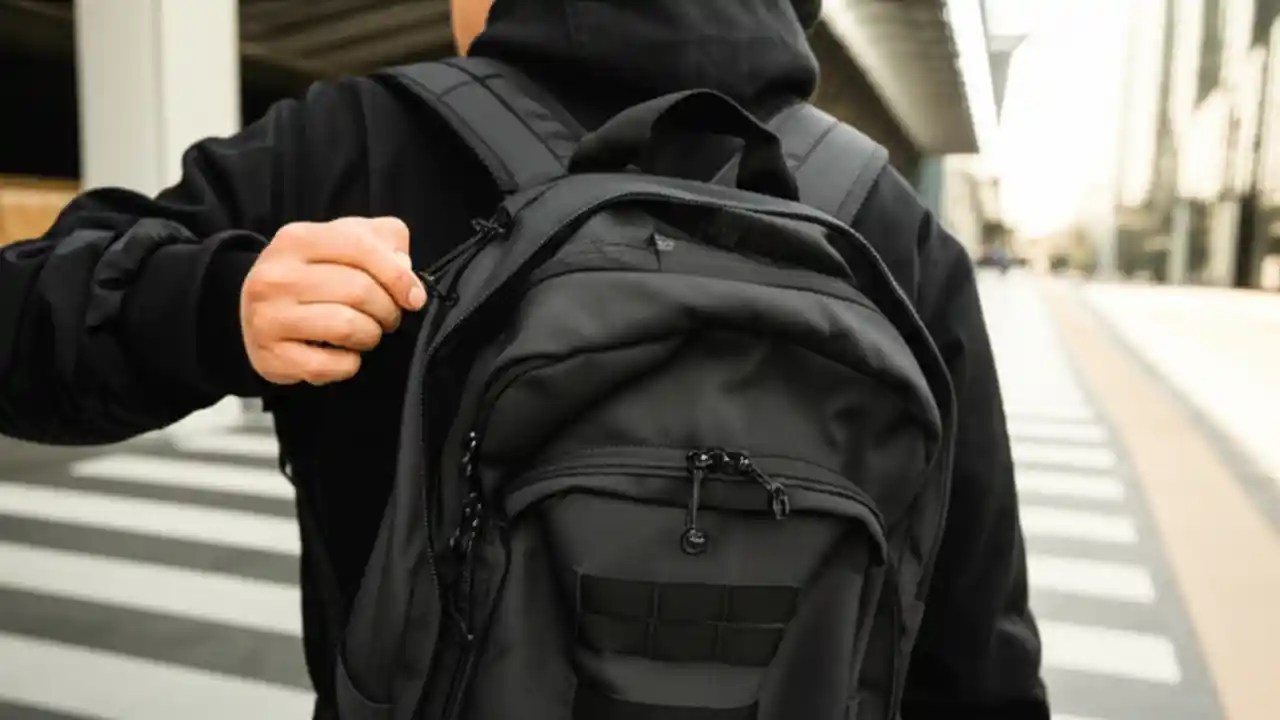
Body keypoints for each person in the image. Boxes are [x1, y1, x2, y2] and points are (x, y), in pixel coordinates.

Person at [0, 0, 1047, 717]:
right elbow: (975, 653)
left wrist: (216, 303)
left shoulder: (356, 147)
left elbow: (22, 331)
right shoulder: (892, 233)